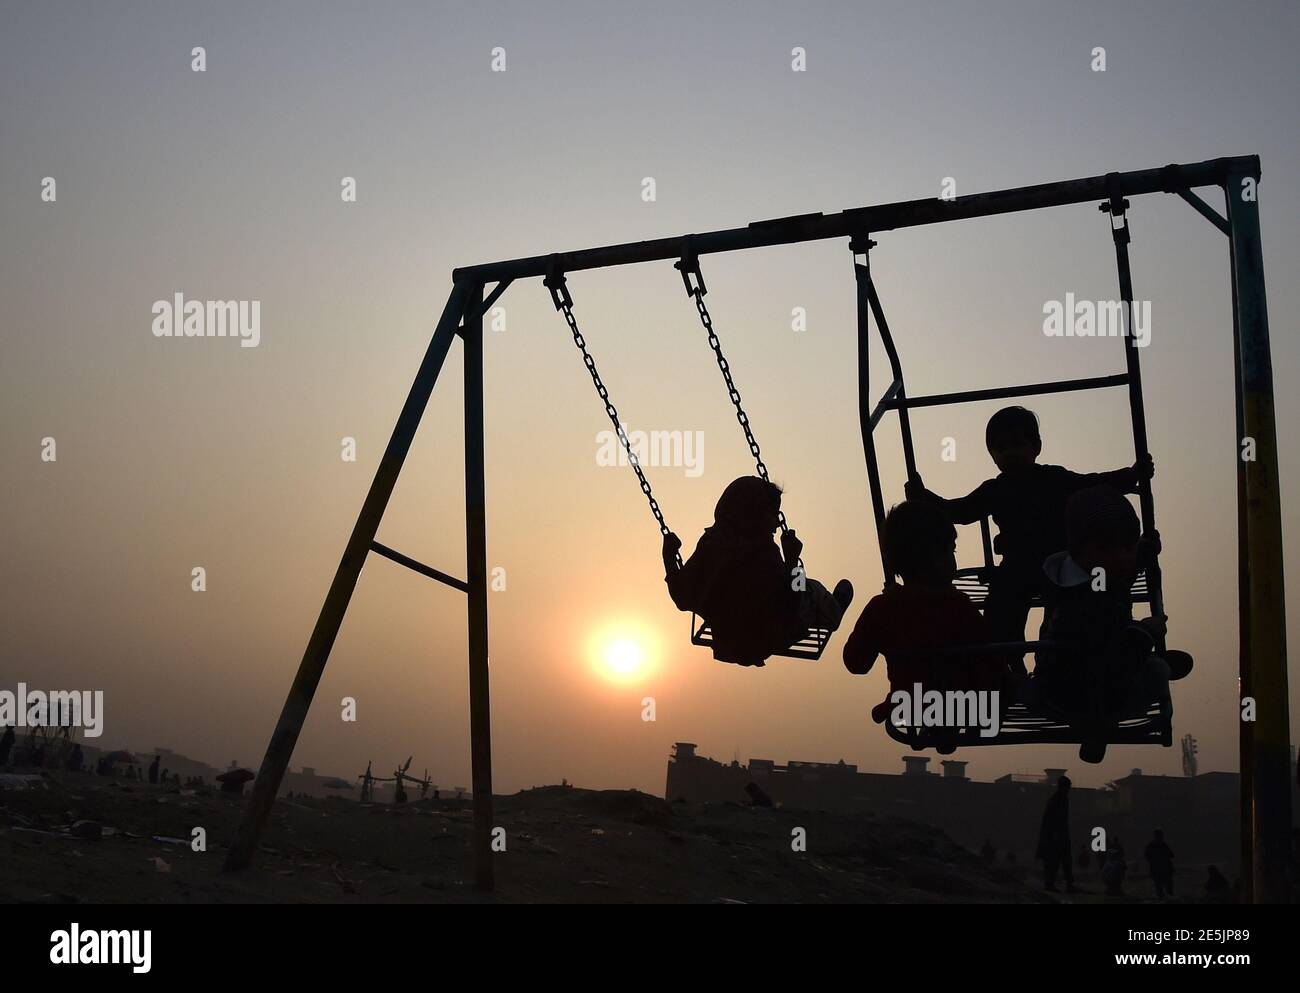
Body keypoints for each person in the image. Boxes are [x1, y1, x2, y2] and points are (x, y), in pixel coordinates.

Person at [906, 406, 1154, 661]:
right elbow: (961, 510)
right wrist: (925, 499)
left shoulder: (1054, 478)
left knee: (1069, 605)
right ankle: (1008, 662)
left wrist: (1131, 475)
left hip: (1058, 563)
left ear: (1035, 447)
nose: (1009, 453)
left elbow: (1093, 484)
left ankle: (1057, 655)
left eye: (1016, 444)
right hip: (1017, 565)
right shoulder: (995, 489)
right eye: (1001, 448)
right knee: (1000, 610)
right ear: (993, 456)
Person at [1034, 485, 1193, 763]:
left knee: (1143, 660)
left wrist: (1144, 550)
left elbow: (1124, 572)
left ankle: (1152, 662)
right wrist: (1145, 633)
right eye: (1108, 548)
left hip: (1062, 678)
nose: (1121, 556)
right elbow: (1110, 655)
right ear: (1079, 551)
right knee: (1154, 671)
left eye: (1127, 547)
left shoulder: (1090, 575)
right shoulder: (1085, 602)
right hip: (1084, 691)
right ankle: (1099, 729)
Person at [843, 500, 1010, 747]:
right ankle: (949, 726)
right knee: (1006, 682)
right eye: (952, 552)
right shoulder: (959, 606)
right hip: (964, 704)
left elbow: (855, 662)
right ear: (938, 560)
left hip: (911, 706)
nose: (954, 562)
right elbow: (992, 657)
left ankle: (938, 726)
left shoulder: (882, 607)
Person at [664, 476, 853, 667]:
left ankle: (823, 608)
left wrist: (669, 557)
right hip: (764, 639)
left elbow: (682, 597)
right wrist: (793, 561)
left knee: (799, 586)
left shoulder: (711, 545)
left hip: (727, 642)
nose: (778, 524)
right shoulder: (763, 555)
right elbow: (790, 603)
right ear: (756, 514)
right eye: (774, 515)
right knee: (809, 587)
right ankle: (833, 612)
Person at [1035, 775, 1076, 893]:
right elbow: (1054, 821)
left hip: (1058, 834)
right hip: (1055, 836)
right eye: (1068, 787)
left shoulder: (1059, 799)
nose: (1069, 789)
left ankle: (1064, 883)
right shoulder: (1058, 800)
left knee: (1062, 861)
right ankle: (1052, 884)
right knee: (1055, 861)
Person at [1144, 828, 1175, 899]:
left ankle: (1163, 898)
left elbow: (1147, 856)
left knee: (1160, 886)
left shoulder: (1151, 845)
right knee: (1167, 887)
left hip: (1157, 868)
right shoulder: (1163, 845)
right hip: (1164, 868)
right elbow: (1171, 855)